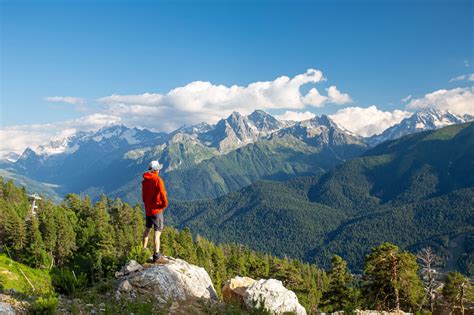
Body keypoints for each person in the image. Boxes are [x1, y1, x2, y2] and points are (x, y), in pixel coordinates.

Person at [142, 160, 168, 262]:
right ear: (156, 170)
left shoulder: (145, 180)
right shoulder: (158, 180)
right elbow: (162, 194)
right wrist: (164, 205)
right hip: (156, 210)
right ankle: (156, 256)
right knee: (157, 233)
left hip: (148, 209)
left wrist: (147, 204)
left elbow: (144, 196)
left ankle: (143, 250)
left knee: (147, 229)